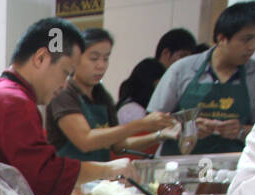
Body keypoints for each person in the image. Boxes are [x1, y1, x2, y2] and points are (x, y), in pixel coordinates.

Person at [0, 17, 130, 195]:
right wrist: (108, 170)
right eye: (65, 72)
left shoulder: (9, 95)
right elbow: (43, 172)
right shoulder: (11, 100)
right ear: (41, 58)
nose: (64, 84)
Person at [46, 29, 174, 161]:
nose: (101, 65)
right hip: (70, 179)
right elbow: (85, 141)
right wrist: (142, 124)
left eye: (106, 58)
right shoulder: (63, 94)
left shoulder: (102, 96)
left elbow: (119, 145)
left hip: (99, 177)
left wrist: (160, 136)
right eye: (94, 58)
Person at [147, 2, 255, 154]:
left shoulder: (254, 76)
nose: (252, 47)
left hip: (230, 168)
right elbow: (150, 121)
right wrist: (188, 127)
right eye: (246, 39)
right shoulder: (183, 69)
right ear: (222, 38)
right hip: (177, 165)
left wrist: (241, 131)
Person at [115, 28, 196, 124]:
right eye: (182, 56)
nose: (187, 63)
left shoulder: (182, 86)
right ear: (166, 54)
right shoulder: (133, 108)